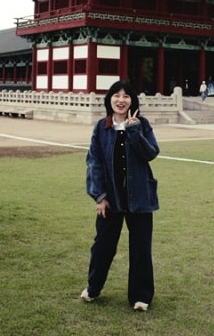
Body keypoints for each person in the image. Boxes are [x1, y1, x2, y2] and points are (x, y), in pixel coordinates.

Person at [81, 80, 160, 312]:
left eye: (126, 96)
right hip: (111, 199)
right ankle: (93, 288)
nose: (121, 99)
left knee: (141, 249)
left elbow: (151, 153)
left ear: (132, 101)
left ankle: (141, 296)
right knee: (102, 246)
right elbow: (93, 163)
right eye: (116, 95)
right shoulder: (101, 127)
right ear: (110, 100)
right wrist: (99, 196)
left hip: (141, 198)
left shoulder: (142, 125)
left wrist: (133, 130)